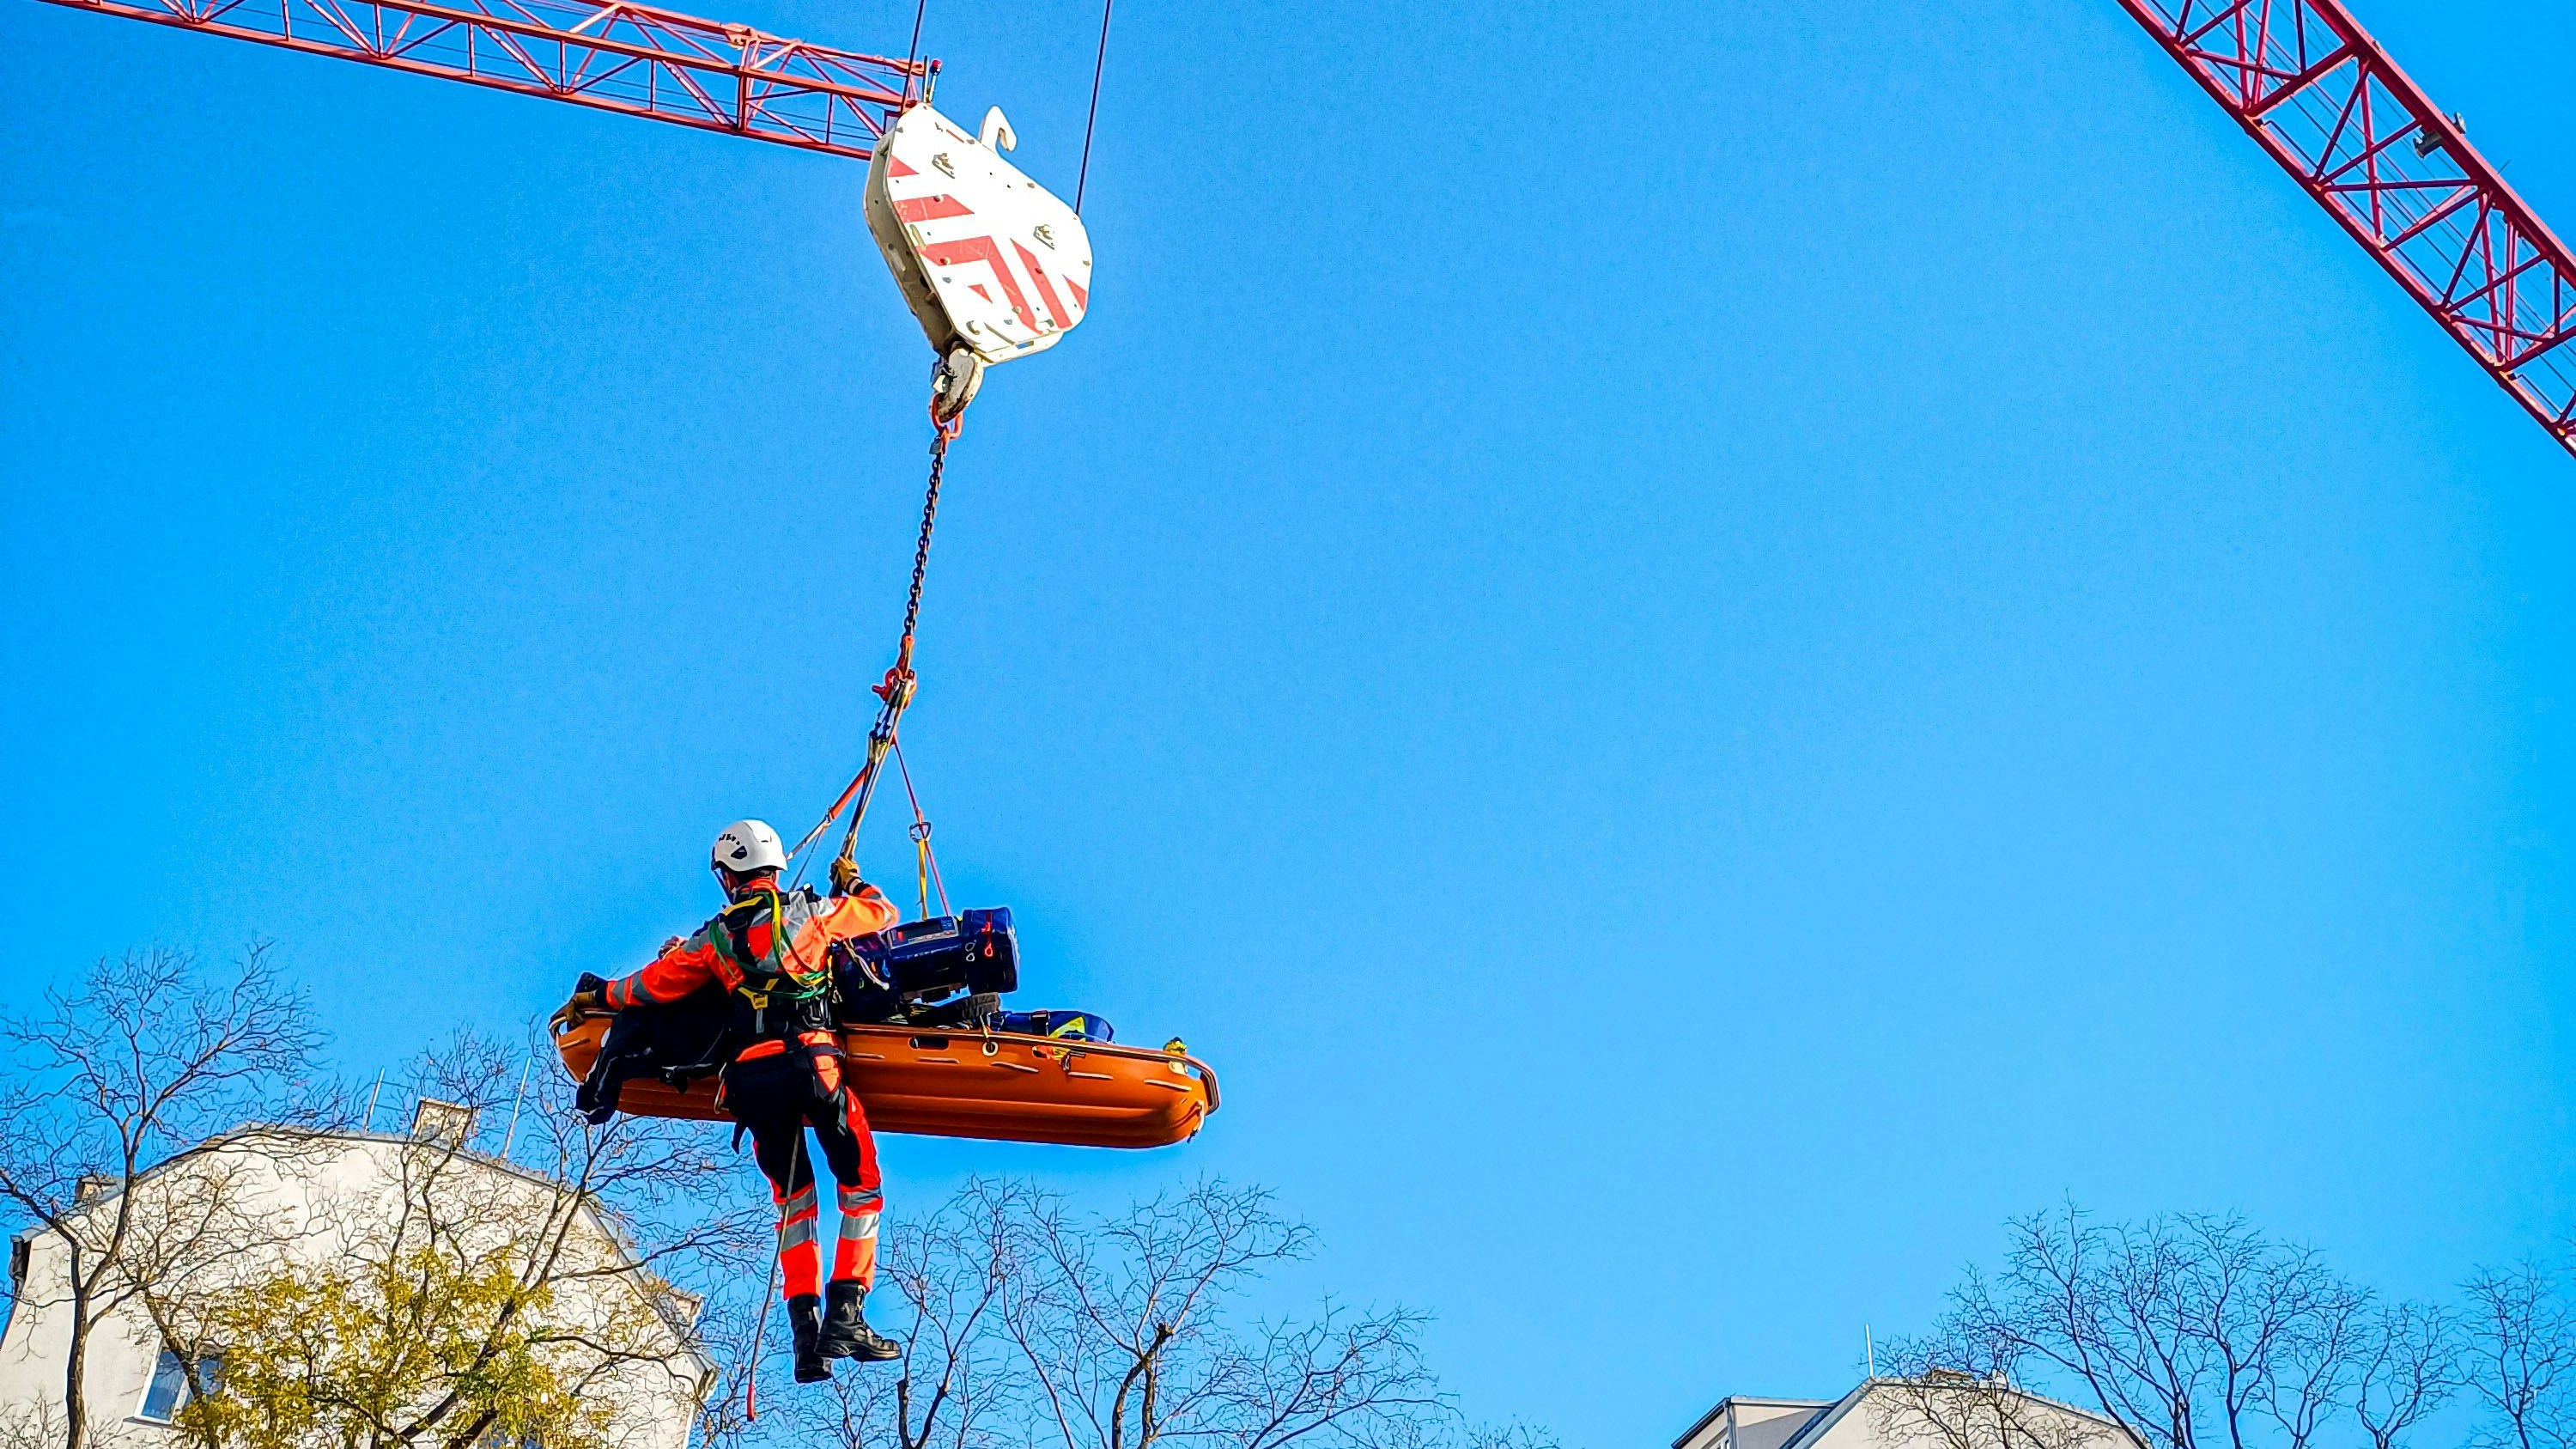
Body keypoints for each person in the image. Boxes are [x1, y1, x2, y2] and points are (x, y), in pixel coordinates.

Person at [553, 819, 902, 1382]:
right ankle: (846, 1311)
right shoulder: (812, 913)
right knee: (860, 1185)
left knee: (795, 1205)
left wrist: (599, 994)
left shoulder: (713, 939)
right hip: (813, 1066)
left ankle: (806, 1337)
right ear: (776, 867)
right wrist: (855, 884)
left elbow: (648, 986)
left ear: (726, 876)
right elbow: (883, 914)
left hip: (751, 1080)